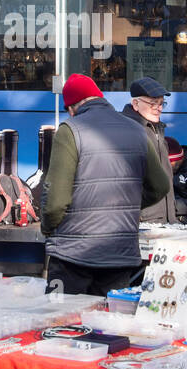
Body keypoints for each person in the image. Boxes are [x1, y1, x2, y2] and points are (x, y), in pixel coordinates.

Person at [42, 74, 171, 296]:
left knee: (61, 325)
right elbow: (160, 185)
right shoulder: (137, 130)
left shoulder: (70, 129)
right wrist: (126, 206)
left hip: (73, 256)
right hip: (119, 253)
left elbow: (56, 201)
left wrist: (48, 227)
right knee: (108, 324)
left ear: (72, 107)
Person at [121, 76, 176, 224]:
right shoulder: (128, 130)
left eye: (161, 103)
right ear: (135, 104)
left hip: (164, 217)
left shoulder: (155, 127)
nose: (159, 108)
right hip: (142, 219)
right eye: (153, 103)